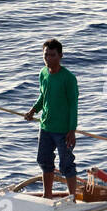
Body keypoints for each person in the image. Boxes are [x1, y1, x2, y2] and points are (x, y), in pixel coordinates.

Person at [23, 39, 79, 199]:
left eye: (52, 55)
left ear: (60, 56)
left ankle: (72, 198)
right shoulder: (43, 73)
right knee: (44, 161)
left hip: (63, 130)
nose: (48, 58)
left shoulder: (68, 78)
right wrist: (33, 110)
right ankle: (47, 195)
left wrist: (72, 130)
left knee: (66, 164)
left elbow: (73, 106)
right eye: (45, 55)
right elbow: (43, 97)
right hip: (45, 127)